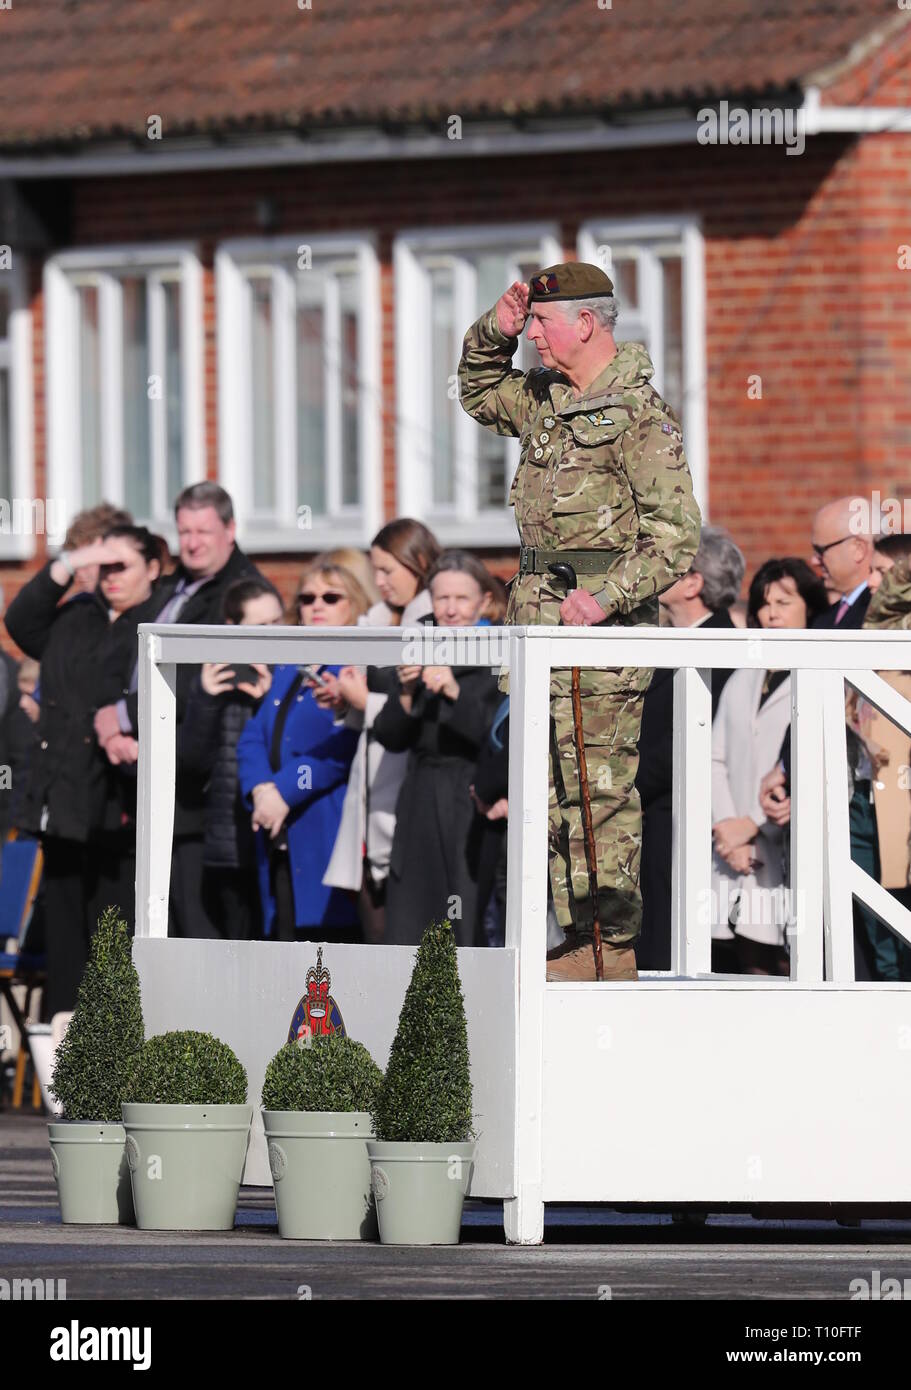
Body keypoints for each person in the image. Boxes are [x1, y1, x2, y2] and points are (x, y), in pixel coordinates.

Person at [458, 262, 701, 980]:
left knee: (596, 791)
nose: (532, 334)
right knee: (549, 789)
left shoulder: (639, 415)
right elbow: (476, 392)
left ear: (586, 323)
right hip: (538, 621)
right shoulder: (544, 398)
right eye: (528, 323)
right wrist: (491, 333)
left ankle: (608, 946)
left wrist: (606, 596)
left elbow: (675, 536)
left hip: (599, 630)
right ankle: (571, 938)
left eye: (541, 323)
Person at [92, 483, 265, 939]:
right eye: (184, 530)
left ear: (230, 529)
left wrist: (124, 716)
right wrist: (111, 726)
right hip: (140, 778)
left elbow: (198, 676)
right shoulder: (171, 587)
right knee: (150, 931)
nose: (191, 542)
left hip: (199, 791)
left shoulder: (241, 591)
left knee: (194, 931)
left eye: (203, 531)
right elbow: (119, 654)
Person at [4, 526, 163, 1016]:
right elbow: (21, 620)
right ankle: (66, 1059)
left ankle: (113, 1061)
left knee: (112, 942)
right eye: (105, 566)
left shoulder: (158, 621)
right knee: (66, 941)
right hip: (63, 803)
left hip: (118, 806)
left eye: (123, 566)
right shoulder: (77, 613)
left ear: (153, 569)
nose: (110, 577)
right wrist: (72, 561)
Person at [370, 551, 501, 947]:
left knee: (464, 910)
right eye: (442, 598)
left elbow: (494, 735)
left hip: (470, 796)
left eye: (462, 599)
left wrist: (454, 691)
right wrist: (407, 692)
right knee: (414, 914)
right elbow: (390, 736)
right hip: (420, 795)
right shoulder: (418, 643)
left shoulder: (498, 651)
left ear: (483, 602)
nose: (450, 609)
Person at [323, 518, 441, 942]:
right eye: (375, 571)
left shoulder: (431, 623)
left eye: (388, 570)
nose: (379, 582)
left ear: (419, 563)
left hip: (405, 793)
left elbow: (417, 715)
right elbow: (372, 713)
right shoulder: (375, 621)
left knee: (406, 940)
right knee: (374, 936)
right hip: (370, 792)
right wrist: (345, 702)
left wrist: (363, 701)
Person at [236, 562, 366, 940]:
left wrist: (285, 791)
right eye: (307, 598)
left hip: (324, 827)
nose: (316, 606)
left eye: (331, 597)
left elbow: (346, 743)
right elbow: (253, 736)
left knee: (328, 962)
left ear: (354, 604)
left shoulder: (358, 665)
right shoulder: (291, 664)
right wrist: (262, 789)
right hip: (279, 833)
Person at [636, 526, 746, 971]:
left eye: (666, 562)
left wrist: (626, 782)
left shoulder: (720, 645)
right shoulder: (671, 639)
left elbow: (690, 738)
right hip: (657, 814)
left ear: (693, 582)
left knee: (672, 943)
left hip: (682, 817)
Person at [712, 558, 828, 975]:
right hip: (736, 851)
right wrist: (730, 828)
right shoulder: (745, 673)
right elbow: (715, 756)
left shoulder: (820, 674)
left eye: (784, 601)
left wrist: (755, 823)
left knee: (792, 956)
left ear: (810, 607)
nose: (771, 612)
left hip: (788, 840)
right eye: (763, 603)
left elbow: (816, 765)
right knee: (745, 958)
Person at [177, 577, 284, 941]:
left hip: (275, 838)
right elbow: (191, 761)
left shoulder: (288, 678)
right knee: (235, 941)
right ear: (232, 629)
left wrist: (270, 701)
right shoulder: (214, 682)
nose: (272, 635)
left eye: (277, 623)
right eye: (260, 627)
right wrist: (206, 698)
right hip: (228, 841)